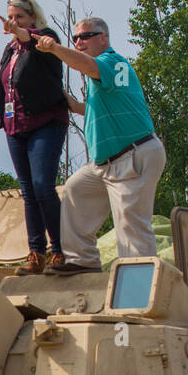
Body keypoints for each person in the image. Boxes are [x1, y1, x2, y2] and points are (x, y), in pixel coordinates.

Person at [32, 17, 166, 274]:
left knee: (130, 228)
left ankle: (140, 288)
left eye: (85, 36)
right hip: (107, 163)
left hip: (131, 155)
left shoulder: (114, 63)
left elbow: (87, 65)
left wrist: (56, 49)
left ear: (103, 38)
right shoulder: (105, 77)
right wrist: (74, 105)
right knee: (75, 190)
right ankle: (82, 259)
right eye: (75, 39)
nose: (78, 42)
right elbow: (106, 106)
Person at [0, 0, 69, 275]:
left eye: (19, 17)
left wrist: (23, 33)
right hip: (16, 126)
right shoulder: (10, 50)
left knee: (42, 186)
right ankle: (36, 252)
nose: (13, 23)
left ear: (32, 18)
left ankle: (60, 250)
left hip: (46, 120)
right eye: (10, 18)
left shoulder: (45, 38)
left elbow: (36, 42)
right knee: (27, 192)